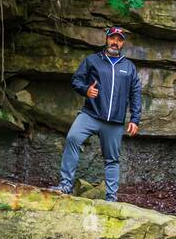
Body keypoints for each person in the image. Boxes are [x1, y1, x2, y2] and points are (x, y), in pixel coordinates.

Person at [53, 26, 141, 201]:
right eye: (112, 38)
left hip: (114, 122)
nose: (115, 42)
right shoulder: (92, 60)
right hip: (90, 114)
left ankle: (111, 198)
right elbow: (76, 80)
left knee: (112, 159)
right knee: (73, 138)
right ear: (107, 39)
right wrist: (86, 90)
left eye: (119, 39)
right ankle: (65, 185)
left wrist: (135, 118)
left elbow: (135, 93)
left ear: (122, 43)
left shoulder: (129, 67)